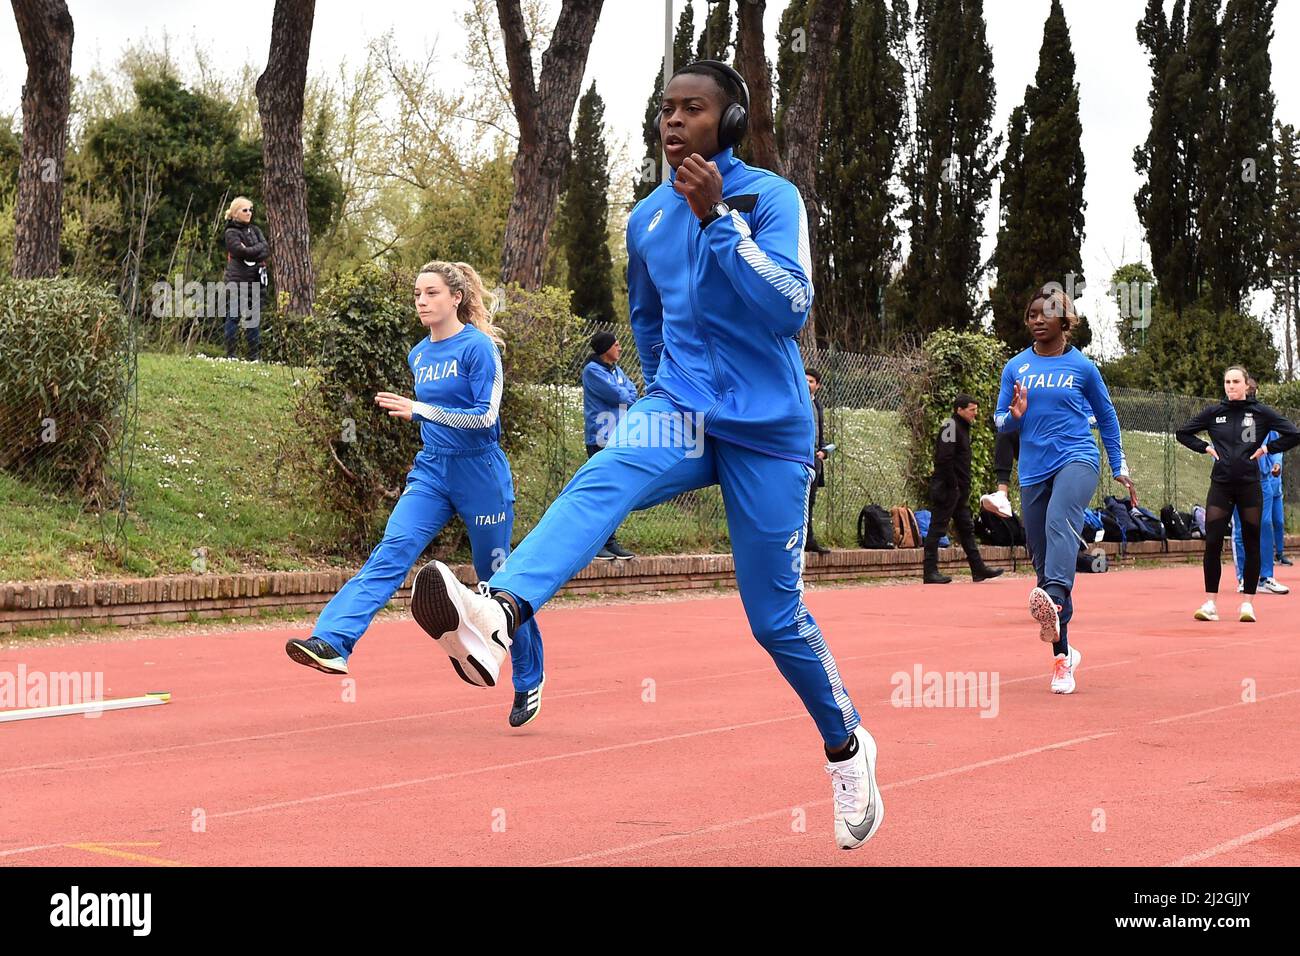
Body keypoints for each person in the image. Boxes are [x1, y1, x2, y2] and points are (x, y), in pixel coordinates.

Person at [405, 60, 882, 851]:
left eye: (693, 110)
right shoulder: (646, 220)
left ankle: (847, 746)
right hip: (685, 412)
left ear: (728, 124)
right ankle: (499, 608)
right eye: (665, 108)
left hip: (769, 431)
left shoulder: (768, 199)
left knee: (774, 619)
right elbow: (647, 319)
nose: (673, 122)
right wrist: (664, 395)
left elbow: (788, 309)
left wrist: (718, 220)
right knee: (603, 475)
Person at [285, 260, 546, 728]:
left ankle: (528, 678)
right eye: (417, 295)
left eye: (430, 293)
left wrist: (420, 409)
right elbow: (435, 415)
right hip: (432, 472)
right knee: (392, 551)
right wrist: (423, 414)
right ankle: (332, 641)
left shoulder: (480, 348)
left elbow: (485, 418)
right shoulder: (418, 354)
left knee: (499, 582)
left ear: (456, 298)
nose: (421, 302)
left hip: (481, 474)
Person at [995, 285, 1135, 695]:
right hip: (1034, 470)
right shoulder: (1015, 368)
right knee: (1042, 562)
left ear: (1064, 321)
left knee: (1060, 525)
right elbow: (1000, 421)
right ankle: (1063, 656)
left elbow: (1107, 417)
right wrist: (1014, 417)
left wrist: (1120, 464)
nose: (1037, 320)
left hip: (1078, 459)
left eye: (1045, 314)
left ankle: (1055, 598)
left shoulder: (1083, 368)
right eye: (1031, 315)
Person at [1176, 366, 1300, 623]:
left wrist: (1267, 448)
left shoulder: (1261, 413)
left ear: (1246, 385)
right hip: (1221, 485)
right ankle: (1210, 603)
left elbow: (1294, 434)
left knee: (1252, 540)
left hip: (1249, 485)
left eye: (1235, 382)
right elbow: (1183, 433)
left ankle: (1248, 604)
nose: (1230, 386)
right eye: (1227, 382)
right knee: (1212, 542)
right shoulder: (1214, 413)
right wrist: (1205, 448)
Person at [923, 394, 1003, 584]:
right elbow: (944, 458)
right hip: (948, 490)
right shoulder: (950, 426)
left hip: (958, 491)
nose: (975, 414)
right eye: (972, 410)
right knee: (937, 529)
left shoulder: (963, 427)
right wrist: (953, 485)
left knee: (966, 529)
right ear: (959, 409)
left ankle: (978, 569)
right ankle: (929, 571)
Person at [582, 330, 639, 560]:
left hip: (618, 438)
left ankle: (610, 541)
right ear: (605, 348)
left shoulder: (617, 370)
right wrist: (624, 392)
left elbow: (632, 392)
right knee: (602, 492)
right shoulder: (592, 371)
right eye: (616, 344)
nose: (620, 347)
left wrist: (624, 392)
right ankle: (597, 545)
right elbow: (620, 395)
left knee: (616, 493)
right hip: (600, 439)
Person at [1231, 379, 1288, 594]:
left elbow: (1276, 445)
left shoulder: (1264, 415)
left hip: (1262, 479)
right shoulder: (1225, 416)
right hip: (1236, 479)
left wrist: (1276, 463)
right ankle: (1245, 578)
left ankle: (1266, 577)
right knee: (1242, 529)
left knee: (1264, 525)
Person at [222, 196, 268, 361]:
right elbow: (239, 252)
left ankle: (254, 357)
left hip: (255, 281)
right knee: (233, 317)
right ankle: (231, 355)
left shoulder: (255, 230)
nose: (249, 213)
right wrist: (255, 251)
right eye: (245, 210)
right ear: (235, 213)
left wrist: (251, 250)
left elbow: (265, 248)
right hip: (237, 281)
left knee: (253, 320)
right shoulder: (231, 232)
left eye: (250, 210)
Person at [804, 368, 831, 555]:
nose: (807, 384)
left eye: (811, 381)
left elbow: (819, 433)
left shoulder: (818, 406)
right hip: (800, 459)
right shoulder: (797, 403)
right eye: (804, 380)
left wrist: (823, 451)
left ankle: (809, 539)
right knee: (799, 500)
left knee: (810, 502)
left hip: (815, 460)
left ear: (818, 386)